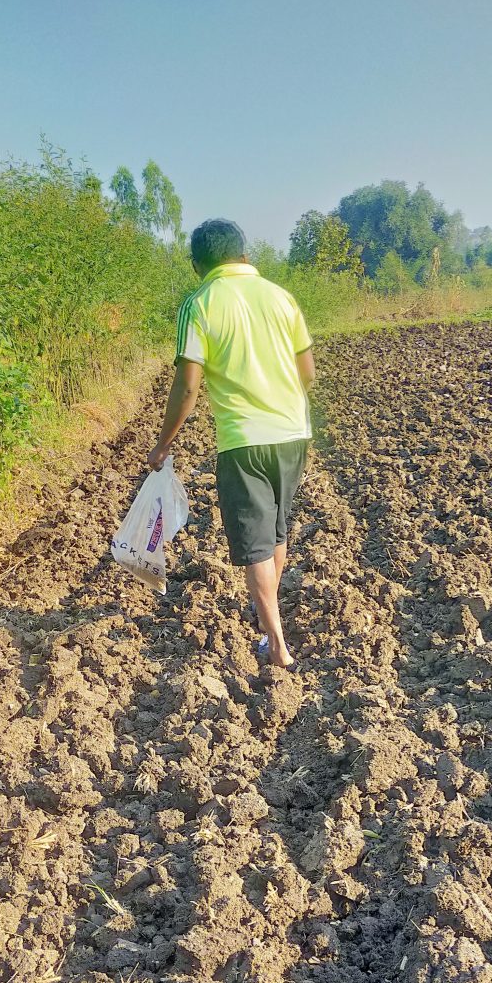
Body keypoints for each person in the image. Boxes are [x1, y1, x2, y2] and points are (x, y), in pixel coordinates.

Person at [147, 218, 315, 668]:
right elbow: (307, 373)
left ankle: (276, 644)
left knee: (255, 542)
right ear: (244, 254)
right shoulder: (281, 297)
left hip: (244, 440)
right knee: (276, 531)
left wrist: (163, 445)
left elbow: (187, 387)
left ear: (197, 264)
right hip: (293, 434)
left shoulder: (199, 303)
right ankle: (268, 621)